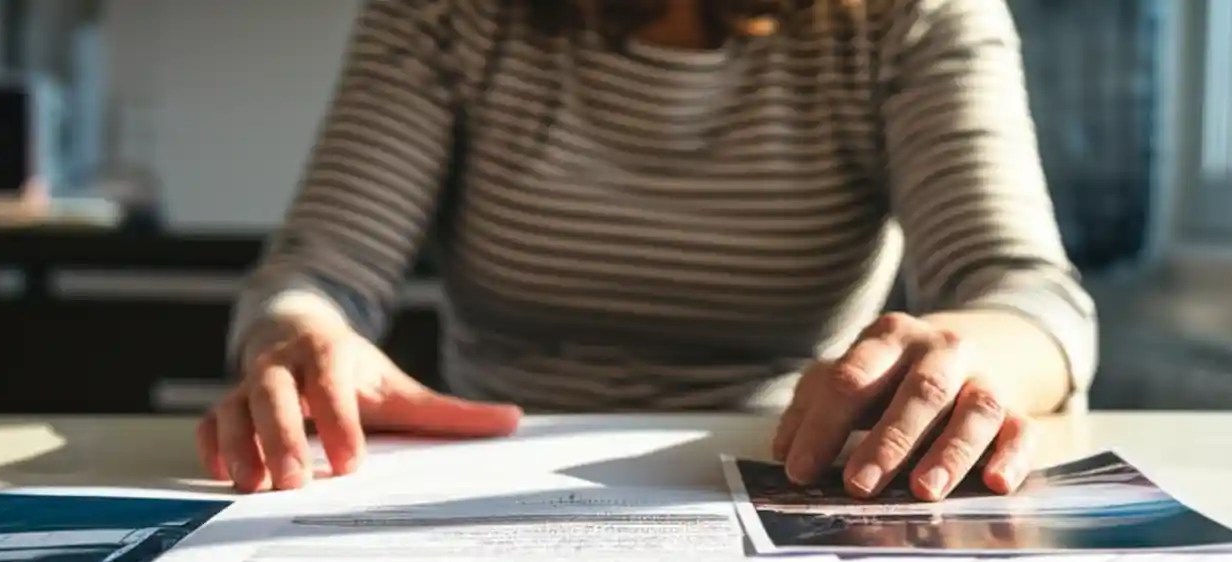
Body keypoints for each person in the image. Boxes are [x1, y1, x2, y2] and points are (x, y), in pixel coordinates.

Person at [197, 0, 1097, 502]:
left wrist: (969, 359)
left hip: (796, 479)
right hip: (476, 487)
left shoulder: (910, 17)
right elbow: (317, 275)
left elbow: (1029, 295)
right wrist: (297, 335)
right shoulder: (446, 15)